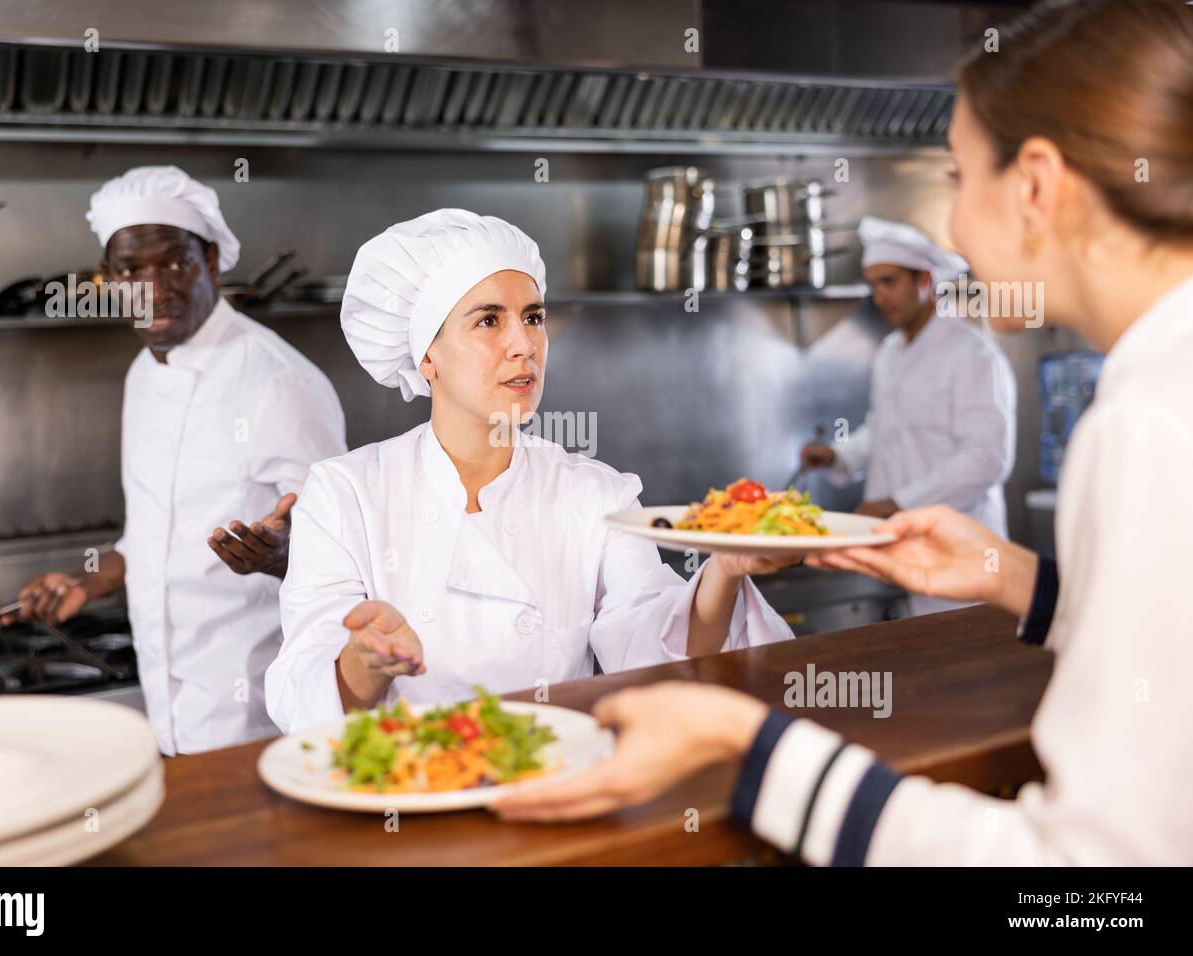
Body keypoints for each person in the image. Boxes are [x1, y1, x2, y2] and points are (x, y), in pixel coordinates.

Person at [494, 0, 1193, 865]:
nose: (960, 230)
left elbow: (1094, 888)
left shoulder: (1145, 425)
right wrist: (1012, 576)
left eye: (957, 179)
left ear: (1037, 186)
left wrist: (749, 746)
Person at [266, 209, 794, 731]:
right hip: (411, 792)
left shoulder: (594, 493)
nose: (524, 345)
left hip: (559, 778)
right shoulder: (347, 493)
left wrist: (724, 570)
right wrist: (367, 659)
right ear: (427, 357)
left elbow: (656, 652)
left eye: (534, 317)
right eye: (489, 320)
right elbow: (306, 691)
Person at [10, 166, 348, 755]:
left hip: (261, 722)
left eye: (175, 263)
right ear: (108, 280)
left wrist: (282, 553)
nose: (155, 288)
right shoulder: (144, 375)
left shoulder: (278, 380)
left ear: (212, 262)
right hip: (168, 713)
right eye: (130, 270)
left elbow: (345, 554)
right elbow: (153, 530)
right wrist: (88, 585)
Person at [800, 216, 1017, 616]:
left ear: (925, 281)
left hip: (964, 549)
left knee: (972, 664)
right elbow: (883, 429)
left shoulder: (972, 355)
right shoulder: (890, 353)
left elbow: (987, 458)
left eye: (889, 281)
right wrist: (838, 456)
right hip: (905, 550)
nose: (879, 296)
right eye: (873, 284)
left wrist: (897, 503)